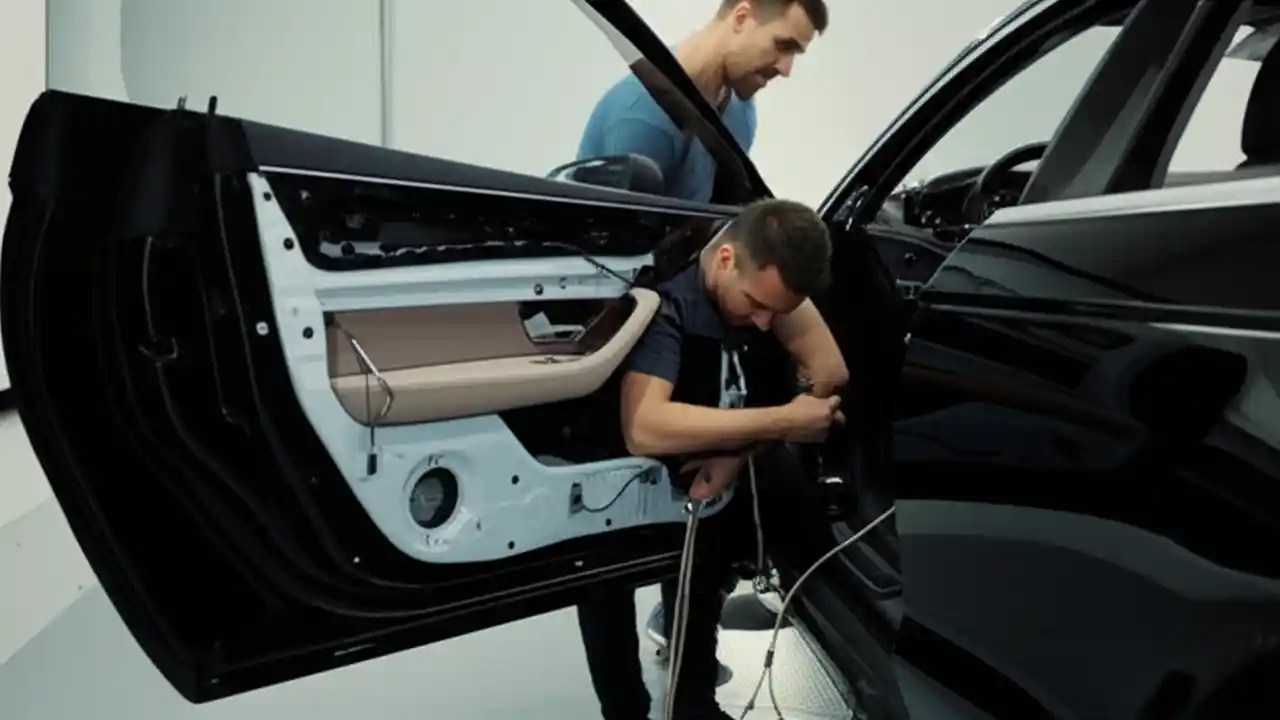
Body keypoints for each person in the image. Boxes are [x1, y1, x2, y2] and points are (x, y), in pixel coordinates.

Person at [575, 197, 848, 719]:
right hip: (624, 460)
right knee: (605, 586)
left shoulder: (767, 276)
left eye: (780, 311)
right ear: (725, 259)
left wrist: (739, 453)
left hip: (713, 461)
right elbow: (644, 427)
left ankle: (692, 705)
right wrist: (783, 422)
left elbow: (830, 371)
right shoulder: (671, 298)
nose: (766, 324)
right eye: (755, 303)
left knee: (702, 566)